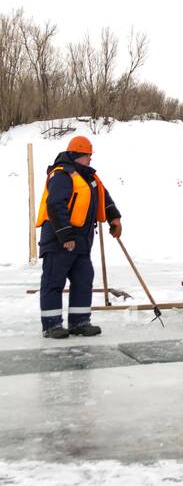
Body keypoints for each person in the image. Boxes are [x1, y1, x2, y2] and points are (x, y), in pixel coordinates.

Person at [36, 134, 122, 339]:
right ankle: (51, 325)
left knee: (83, 279)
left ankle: (80, 322)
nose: (90, 158)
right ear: (76, 155)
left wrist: (114, 218)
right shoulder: (61, 175)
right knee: (53, 281)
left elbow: (104, 198)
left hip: (82, 241)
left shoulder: (89, 178)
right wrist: (66, 235)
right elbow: (55, 205)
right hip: (59, 239)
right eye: (86, 155)